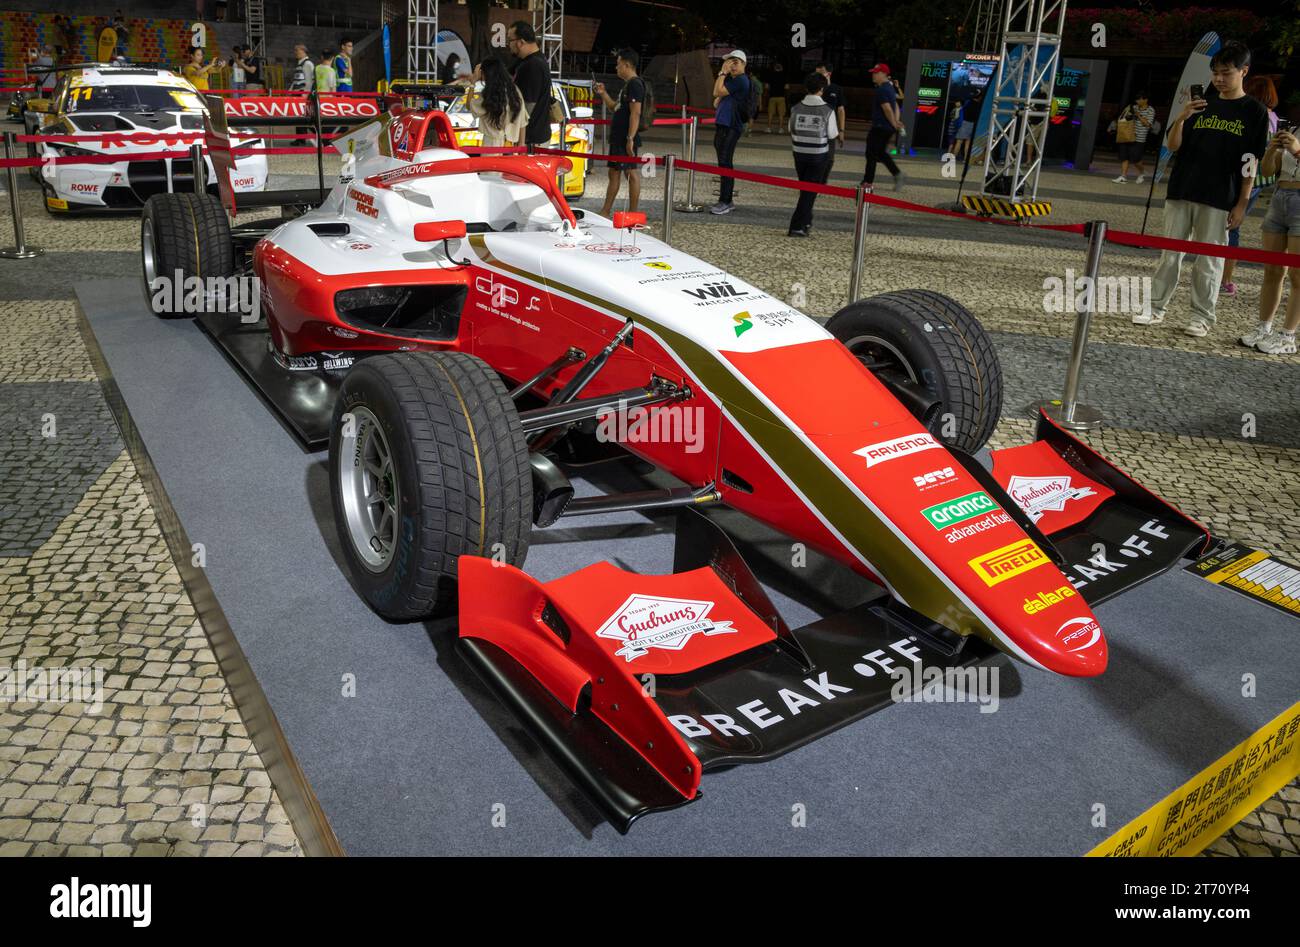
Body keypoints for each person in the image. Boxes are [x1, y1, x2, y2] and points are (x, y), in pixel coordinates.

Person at [1133, 41, 1270, 338]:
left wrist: (1243, 201)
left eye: (1226, 72)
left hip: (1221, 194)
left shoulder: (1254, 112)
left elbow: (1251, 160)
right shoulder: (1200, 104)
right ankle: (1155, 307)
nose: (1219, 78)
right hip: (1183, 188)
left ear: (1243, 72)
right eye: (1215, 73)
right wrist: (1182, 116)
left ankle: (1201, 316)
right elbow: (1172, 145)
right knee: (1170, 254)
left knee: (1210, 260)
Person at [1238, 126, 1299, 355]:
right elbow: (1267, 171)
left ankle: (1287, 336)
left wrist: (1297, 151)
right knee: (1272, 270)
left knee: (1297, 275)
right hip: (1279, 198)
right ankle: (1264, 327)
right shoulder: (1293, 129)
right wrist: (1272, 151)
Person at [1222, 75, 1280, 297]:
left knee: (1230, 226)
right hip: (1259, 181)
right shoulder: (1273, 116)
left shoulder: (1253, 114)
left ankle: (1224, 279)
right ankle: (1226, 279)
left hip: (1245, 177)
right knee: (1233, 227)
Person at [594, 49, 646, 218]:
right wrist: (603, 93)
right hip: (620, 137)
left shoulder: (635, 84)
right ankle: (606, 210)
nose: (616, 67)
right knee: (615, 172)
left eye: (618, 64)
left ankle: (632, 213)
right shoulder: (627, 85)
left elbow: (635, 113)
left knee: (630, 172)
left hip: (625, 138)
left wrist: (630, 138)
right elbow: (614, 107)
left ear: (627, 64)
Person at [787, 71, 838, 238]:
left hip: (799, 154)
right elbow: (832, 134)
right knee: (809, 191)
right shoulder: (827, 110)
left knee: (805, 189)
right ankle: (797, 226)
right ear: (821, 89)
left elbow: (790, 129)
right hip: (818, 156)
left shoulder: (796, 108)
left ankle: (807, 221)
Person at [709, 50, 751, 215]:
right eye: (730, 61)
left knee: (725, 163)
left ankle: (725, 201)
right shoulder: (732, 81)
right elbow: (716, 101)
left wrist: (722, 73)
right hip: (723, 125)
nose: (732, 65)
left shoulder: (740, 80)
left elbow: (716, 93)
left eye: (736, 62)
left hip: (731, 126)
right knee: (723, 163)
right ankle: (726, 200)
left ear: (744, 65)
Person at [508, 21, 553, 148]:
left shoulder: (533, 65)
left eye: (509, 40)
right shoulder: (529, 60)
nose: (508, 45)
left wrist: (520, 141)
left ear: (520, 42)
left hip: (531, 141)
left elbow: (527, 108)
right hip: (531, 138)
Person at [466, 58, 527, 148]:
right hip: (510, 144)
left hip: (491, 144)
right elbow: (523, 120)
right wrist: (522, 143)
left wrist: (473, 83)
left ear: (486, 74)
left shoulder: (488, 94)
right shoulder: (514, 91)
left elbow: (469, 105)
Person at [863, 62, 905, 191]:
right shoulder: (890, 88)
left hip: (880, 126)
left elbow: (887, 109)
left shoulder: (882, 89)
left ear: (883, 74)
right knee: (880, 153)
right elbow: (896, 106)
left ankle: (867, 182)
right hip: (886, 127)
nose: (873, 76)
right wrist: (896, 122)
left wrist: (894, 123)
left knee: (871, 154)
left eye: (876, 73)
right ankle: (898, 174)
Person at [1111, 92, 1156, 183]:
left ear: (1145, 99)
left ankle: (1142, 172)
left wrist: (1138, 115)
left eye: (1139, 99)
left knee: (1135, 159)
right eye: (1136, 99)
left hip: (1139, 138)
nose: (1137, 101)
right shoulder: (1133, 107)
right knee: (1124, 157)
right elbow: (1124, 118)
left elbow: (1147, 124)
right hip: (1127, 135)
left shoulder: (1150, 110)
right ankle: (1123, 176)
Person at [815, 62, 845, 175]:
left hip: (830, 129)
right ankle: (813, 184)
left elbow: (841, 110)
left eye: (821, 72)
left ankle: (821, 183)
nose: (818, 76)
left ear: (829, 73)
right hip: (815, 127)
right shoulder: (814, 89)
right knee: (815, 158)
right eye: (816, 73)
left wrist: (841, 130)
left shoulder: (837, 89)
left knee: (829, 159)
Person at [952, 92, 980, 162]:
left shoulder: (968, 103)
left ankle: (953, 158)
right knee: (968, 143)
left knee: (959, 142)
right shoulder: (979, 105)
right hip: (973, 124)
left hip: (964, 123)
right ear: (979, 97)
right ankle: (966, 159)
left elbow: (962, 111)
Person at [764, 62, 787, 133]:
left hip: (772, 97)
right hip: (781, 97)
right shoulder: (784, 76)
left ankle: (768, 128)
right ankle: (780, 129)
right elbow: (787, 87)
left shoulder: (770, 75)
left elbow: (766, 86)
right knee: (781, 114)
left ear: (774, 68)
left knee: (770, 113)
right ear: (781, 68)